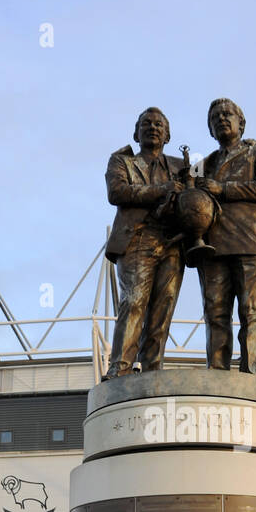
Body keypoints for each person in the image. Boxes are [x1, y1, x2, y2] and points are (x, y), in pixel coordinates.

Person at [194, 98, 256, 374]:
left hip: (250, 241)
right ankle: (217, 373)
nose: (221, 119)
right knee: (215, 314)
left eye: (227, 114)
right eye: (214, 117)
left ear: (240, 123)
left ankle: (251, 372)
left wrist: (224, 189)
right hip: (213, 246)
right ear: (210, 129)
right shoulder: (203, 164)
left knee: (251, 311)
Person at [103, 107, 185, 380]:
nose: (153, 127)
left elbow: (206, 180)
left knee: (164, 306)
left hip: (172, 242)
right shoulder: (121, 161)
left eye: (159, 124)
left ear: (168, 135)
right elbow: (118, 192)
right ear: (135, 133)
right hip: (137, 238)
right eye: (146, 124)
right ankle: (120, 368)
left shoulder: (181, 166)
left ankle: (152, 369)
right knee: (134, 301)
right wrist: (161, 191)